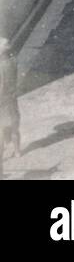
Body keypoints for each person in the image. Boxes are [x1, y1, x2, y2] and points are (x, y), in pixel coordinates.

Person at [0, 37, 19, 172]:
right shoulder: (13, 60)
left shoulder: (1, 66)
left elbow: (1, 86)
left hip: (3, 100)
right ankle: (17, 151)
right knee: (14, 125)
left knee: (2, 130)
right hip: (12, 98)